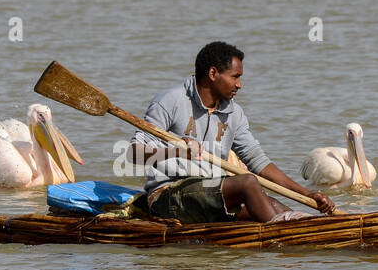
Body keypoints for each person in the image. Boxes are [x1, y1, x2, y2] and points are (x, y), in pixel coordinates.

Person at [128, 42, 335, 223]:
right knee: (247, 182)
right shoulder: (170, 101)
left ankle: (313, 231)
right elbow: (134, 154)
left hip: (211, 192)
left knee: (270, 203)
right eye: (235, 77)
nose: (239, 85)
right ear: (213, 74)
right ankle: (283, 238)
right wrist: (177, 152)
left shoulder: (234, 112)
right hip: (168, 197)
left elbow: (258, 162)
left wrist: (308, 194)